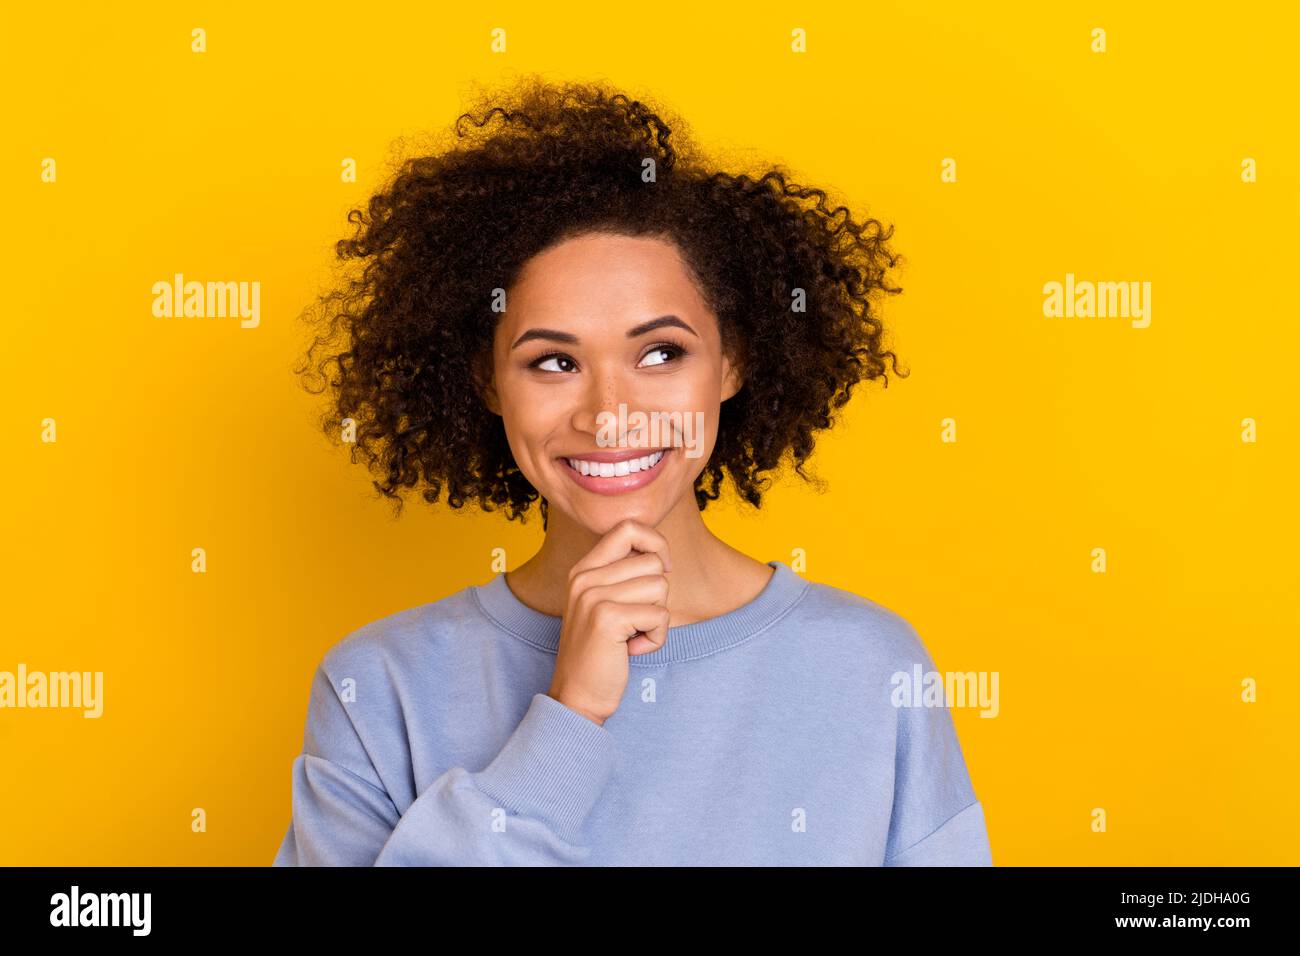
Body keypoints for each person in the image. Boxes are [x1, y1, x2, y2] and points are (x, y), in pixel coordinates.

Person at [274, 76, 992, 866]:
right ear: (487, 384)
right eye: (553, 361)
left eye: (661, 353)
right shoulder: (378, 689)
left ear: (734, 362)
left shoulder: (872, 667)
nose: (609, 412)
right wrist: (570, 718)